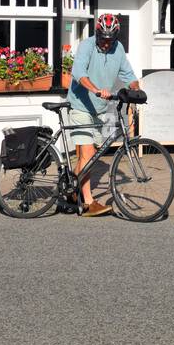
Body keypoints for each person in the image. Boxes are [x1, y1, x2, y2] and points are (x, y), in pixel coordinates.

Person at [67, 13, 139, 216]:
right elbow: (78, 72)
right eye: (103, 39)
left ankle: (72, 189)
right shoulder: (87, 46)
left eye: (110, 40)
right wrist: (96, 89)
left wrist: (135, 89)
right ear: (97, 33)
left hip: (98, 110)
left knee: (85, 156)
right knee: (88, 156)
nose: (106, 44)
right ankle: (88, 202)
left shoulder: (118, 49)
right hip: (81, 106)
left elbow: (129, 75)